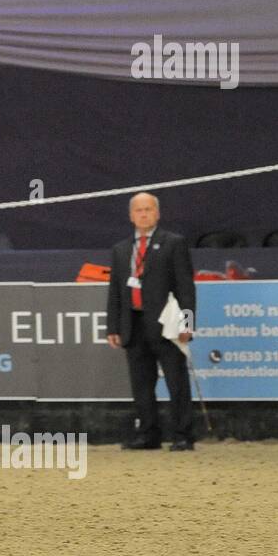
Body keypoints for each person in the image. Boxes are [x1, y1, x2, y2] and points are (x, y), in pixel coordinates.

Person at [106, 192, 196, 451]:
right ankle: (148, 434)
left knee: (176, 381)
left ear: (157, 213)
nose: (143, 214)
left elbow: (185, 287)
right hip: (133, 324)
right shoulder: (121, 250)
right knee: (141, 384)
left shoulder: (173, 243)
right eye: (139, 210)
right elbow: (115, 291)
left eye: (148, 209)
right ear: (131, 216)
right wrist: (113, 326)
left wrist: (187, 323)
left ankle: (183, 435)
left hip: (167, 324)